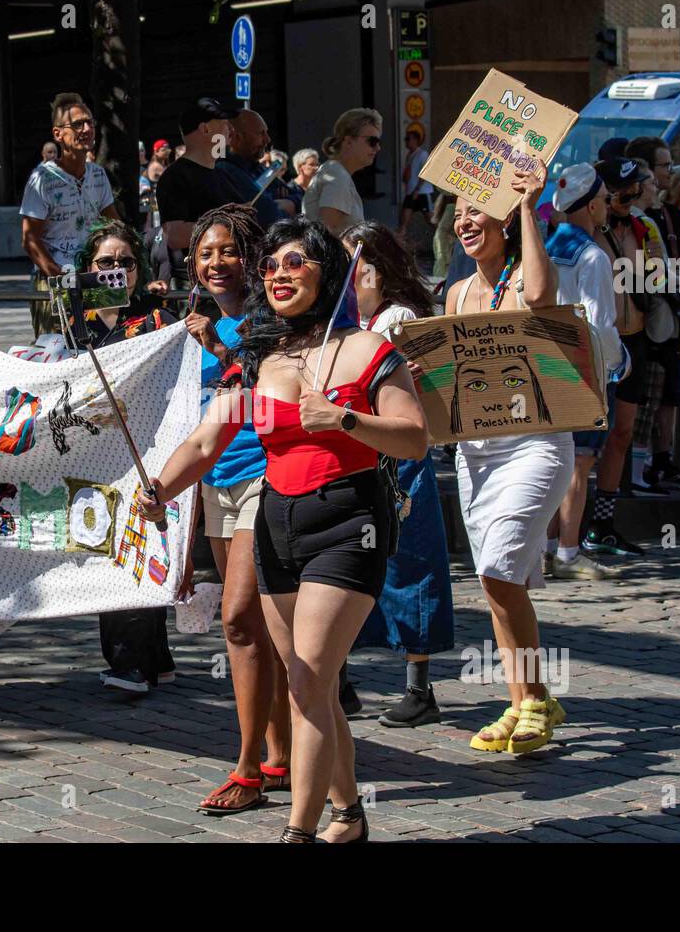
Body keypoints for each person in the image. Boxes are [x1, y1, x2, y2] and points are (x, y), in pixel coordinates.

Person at [138, 216, 428, 842]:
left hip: (350, 520)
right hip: (278, 527)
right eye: (270, 266)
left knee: (305, 680)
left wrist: (345, 420)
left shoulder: (368, 351)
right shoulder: (259, 361)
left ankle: (299, 831)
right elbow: (208, 437)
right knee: (311, 684)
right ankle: (349, 815)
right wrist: (159, 488)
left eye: (295, 263)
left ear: (327, 274)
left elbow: (414, 440)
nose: (278, 275)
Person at [447, 167, 569, 754]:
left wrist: (527, 206)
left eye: (477, 210)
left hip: (535, 442)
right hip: (478, 452)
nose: (465, 220)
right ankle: (521, 700)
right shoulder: (456, 293)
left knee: (499, 570)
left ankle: (538, 697)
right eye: (458, 210)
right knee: (498, 582)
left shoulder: (526, 277)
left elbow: (544, 299)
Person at [177, 203, 293, 814]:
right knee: (256, 628)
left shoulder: (269, 322)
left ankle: (247, 768)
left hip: (265, 476)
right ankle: (279, 752)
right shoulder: (188, 323)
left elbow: (254, 389)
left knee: (238, 616)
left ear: (251, 256)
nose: (216, 263)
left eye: (228, 251)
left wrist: (216, 350)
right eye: (205, 253)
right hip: (214, 483)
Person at [340, 220, 455, 727]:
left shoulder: (397, 319)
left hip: (396, 462)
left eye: (356, 267)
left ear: (379, 271)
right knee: (343, 565)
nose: (347, 278)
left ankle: (419, 685)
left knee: (408, 563)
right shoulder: (342, 322)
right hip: (353, 455)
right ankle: (338, 676)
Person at [57, 220, 179, 694]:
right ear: (88, 269)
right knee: (109, 549)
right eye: (104, 262)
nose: (114, 271)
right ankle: (157, 658)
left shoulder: (155, 319)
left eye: (124, 262)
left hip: (147, 451)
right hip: (95, 452)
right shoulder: (73, 319)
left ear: (138, 268)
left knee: (132, 549)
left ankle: (129, 665)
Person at [543, 163, 624, 581]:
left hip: (547, 367)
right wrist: (618, 362)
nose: (609, 206)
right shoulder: (592, 256)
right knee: (578, 464)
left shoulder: (545, 246)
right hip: (583, 370)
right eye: (606, 199)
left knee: (555, 460)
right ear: (592, 205)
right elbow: (600, 325)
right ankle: (569, 553)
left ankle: (547, 546)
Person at [583, 157, 656, 556]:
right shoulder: (587, 234)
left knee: (622, 434)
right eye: (625, 191)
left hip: (635, 340)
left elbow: (658, 276)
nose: (633, 197)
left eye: (636, 189)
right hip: (600, 347)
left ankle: (603, 522)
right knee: (587, 444)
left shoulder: (641, 228)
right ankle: (569, 529)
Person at [626, 136, 680, 492]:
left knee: (663, 393)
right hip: (645, 320)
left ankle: (655, 464)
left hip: (664, 317)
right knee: (642, 399)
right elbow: (652, 272)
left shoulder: (662, 218)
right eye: (661, 169)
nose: (665, 177)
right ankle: (636, 472)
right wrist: (674, 282)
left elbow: (676, 265)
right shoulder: (635, 222)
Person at [21, 93, 119, 336]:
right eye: (77, 124)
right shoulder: (42, 179)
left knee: (101, 347)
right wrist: (58, 277)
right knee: (56, 354)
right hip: (54, 279)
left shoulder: (98, 175)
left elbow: (114, 225)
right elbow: (30, 239)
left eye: (90, 123)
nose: (86, 129)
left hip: (93, 278)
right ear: (58, 134)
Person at [153, 97, 246, 281]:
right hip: (202, 287)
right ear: (205, 129)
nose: (231, 130)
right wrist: (230, 223)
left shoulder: (222, 173)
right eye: (225, 124)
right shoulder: (175, 177)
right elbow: (174, 235)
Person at [302, 108, 381, 236]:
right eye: (372, 141)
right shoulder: (336, 174)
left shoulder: (336, 171)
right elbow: (325, 233)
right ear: (348, 142)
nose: (378, 147)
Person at [216, 108, 289, 228]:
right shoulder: (226, 171)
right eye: (260, 133)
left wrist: (289, 203)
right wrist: (284, 207)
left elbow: (292, 194)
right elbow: (270, 217)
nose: (267, 139)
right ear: (235, 137)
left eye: (266, 132)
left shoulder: (256, 167)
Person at [398, 130, 434, 236]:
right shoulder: (410, 155)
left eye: (408, 139)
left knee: (431, 220)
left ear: (415, 140)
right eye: (406, 139)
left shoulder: (422, 154)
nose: (406, 142)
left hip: (422, 193)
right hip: (410, 193)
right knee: (403, 221)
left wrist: (417, 190)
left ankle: (445, 239)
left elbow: (424, 173)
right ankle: (400, 243)